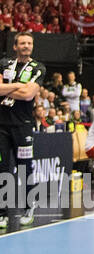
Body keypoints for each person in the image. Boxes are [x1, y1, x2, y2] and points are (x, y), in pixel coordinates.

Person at [0, 32, 46, 229]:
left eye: (29, 43)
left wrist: (8, 87)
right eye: (22, 43)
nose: (26, 46)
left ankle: (28, 207)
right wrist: (19, 85)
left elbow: (29, 95)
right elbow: (20, 89)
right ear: (15, 46)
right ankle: (2, 213)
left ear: (32, 46)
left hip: (23, 126)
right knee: (2, 170)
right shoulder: (4, 63)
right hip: (2, 125)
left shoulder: (38, 68)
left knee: (25, 168)